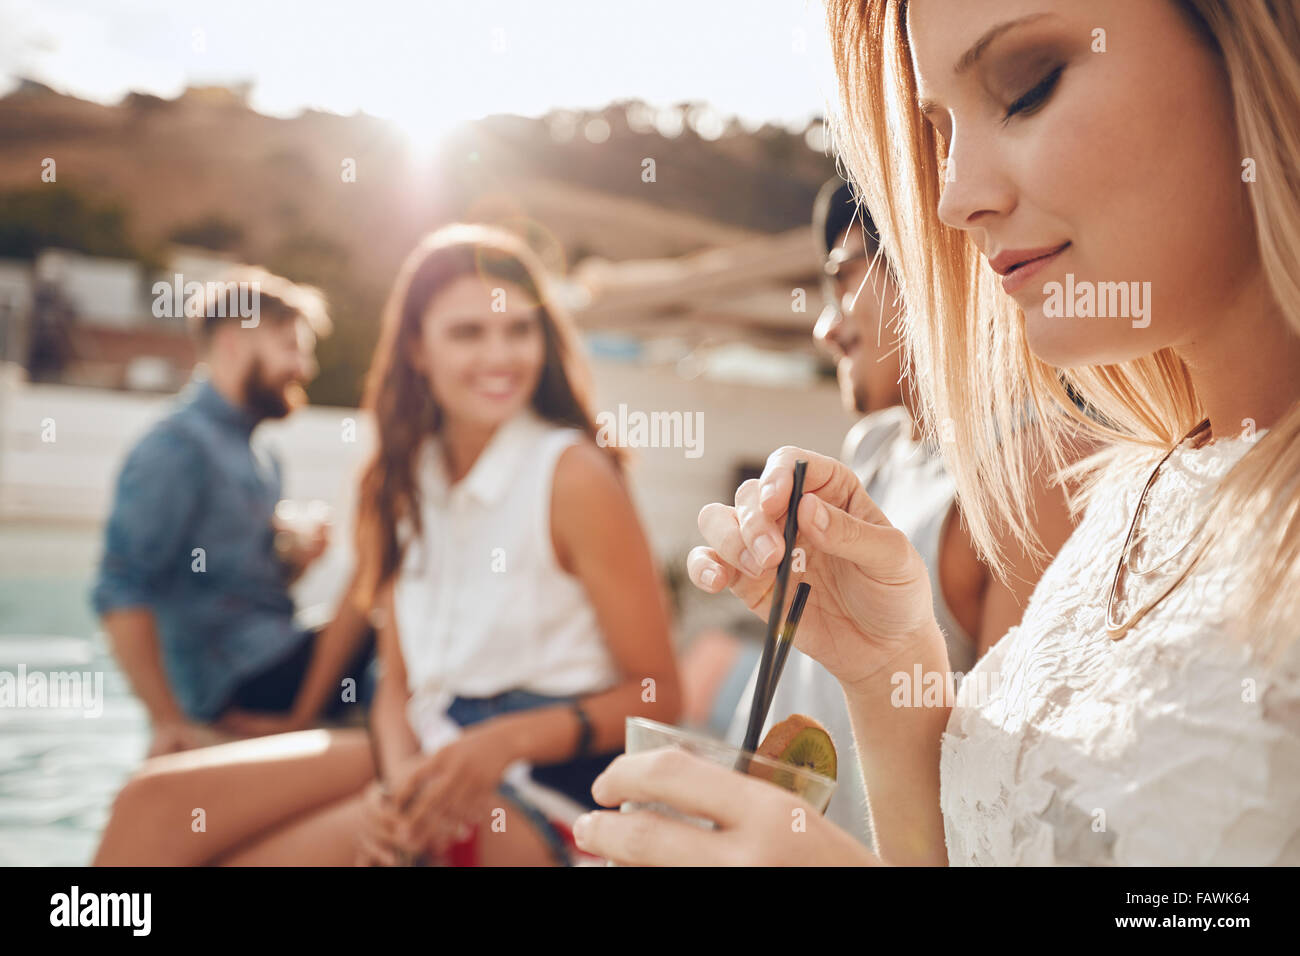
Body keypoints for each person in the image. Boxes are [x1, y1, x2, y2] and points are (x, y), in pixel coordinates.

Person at [573, 0, 1300, 865]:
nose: (953, 199)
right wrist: (888, 672)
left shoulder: (1051, 472)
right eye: (940, 129)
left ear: (1254, 44)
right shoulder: (1133, 497)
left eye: (1027, 88)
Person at [94, 224, 681, 866]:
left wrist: (499, 743)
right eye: (468, 332)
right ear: (416, 349)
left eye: (520, 329)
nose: (501, 355)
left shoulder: (571, 474)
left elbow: (657, 693)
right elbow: (397, 682)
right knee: (150, 805)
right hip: (425, 754)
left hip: (550, 789)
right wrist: (400, 782)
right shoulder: (402, 478)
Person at [722, 178, 1078, 847]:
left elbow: (1014, 805)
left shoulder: (1028, 465)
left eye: (843, 276)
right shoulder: (876, 452)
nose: (826, 328)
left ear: (921, 261)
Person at [91, 268, 376, 758]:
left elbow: (234, 589)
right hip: (235, 685)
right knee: (383, 603)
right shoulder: (175, 447)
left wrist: (292, 561)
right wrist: (168, 721)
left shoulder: (262, 455)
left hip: (270, 656)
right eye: (290, 346)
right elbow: (120, 586)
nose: (304, 367)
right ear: (233, 346)